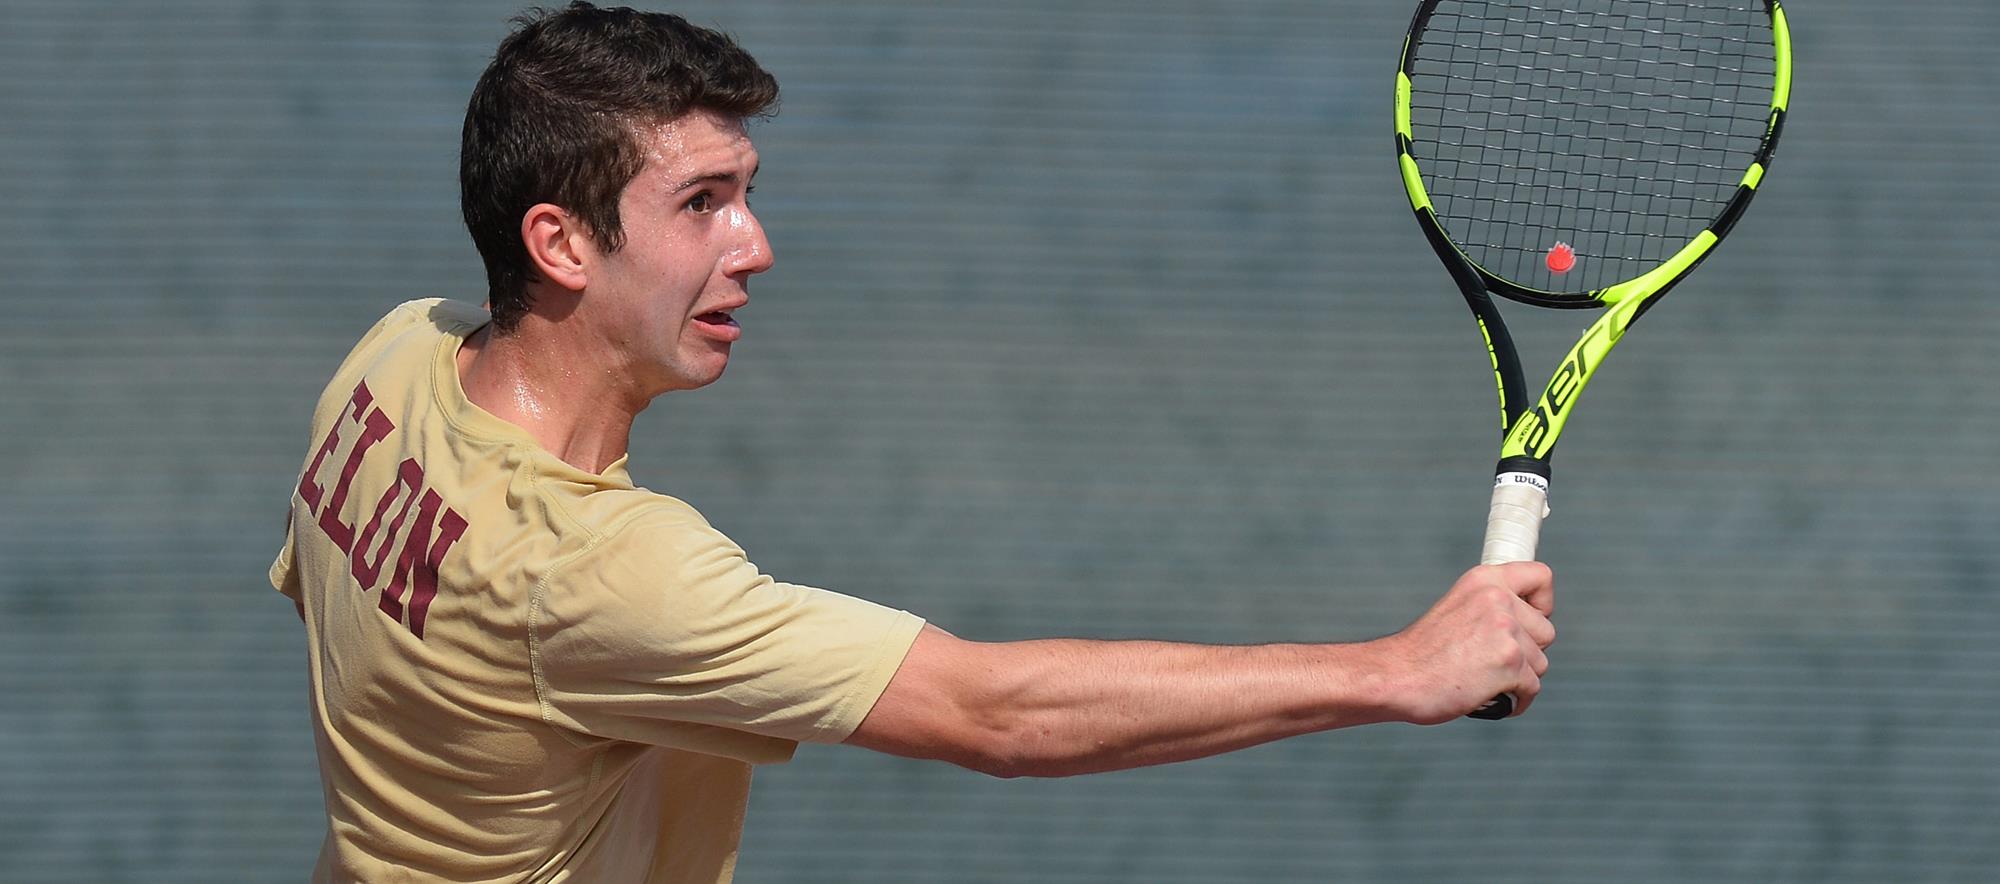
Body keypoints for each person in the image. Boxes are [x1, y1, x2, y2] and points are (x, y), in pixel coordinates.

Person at [269, 3, 1555, 881]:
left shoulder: (390, 364)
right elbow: (996, 714)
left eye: (749, 197)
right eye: (701, 206)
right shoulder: (603, 575)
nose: (752, 247)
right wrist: (1397, 667)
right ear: (557, 242)